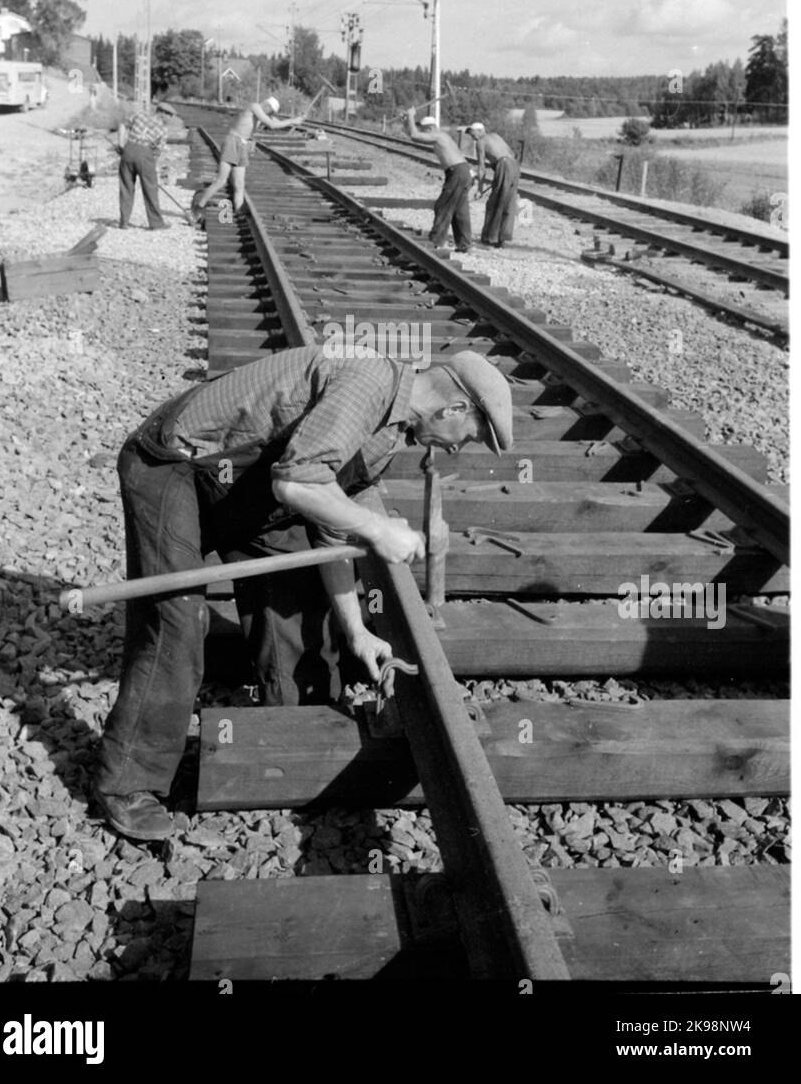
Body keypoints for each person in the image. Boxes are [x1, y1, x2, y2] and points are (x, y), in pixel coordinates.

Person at [91, 345, 514, 840]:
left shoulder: (389, 436)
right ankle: (126, 783)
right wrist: (378, 529)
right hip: (176, 466)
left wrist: (356, 631)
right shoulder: (368, 383)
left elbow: (331, 533)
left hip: (250, 489)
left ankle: (292, 732)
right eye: (472, 435)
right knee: (177, 621)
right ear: (454, 408)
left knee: (295, 600)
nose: (462, 447)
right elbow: (296, 483)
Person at [191, 96, 301, 221]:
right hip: (233, 142)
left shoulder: (262, 114)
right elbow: (271, 124)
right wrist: (292, 121)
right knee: (221, 181)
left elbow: (275, 122)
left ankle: (238, 212)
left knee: (240, 184)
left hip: (242, 145)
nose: (270, 113)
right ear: (267, 105)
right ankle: (199, 206)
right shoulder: (255, 107)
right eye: (270, 111)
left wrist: (296, 120)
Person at [405, 108, 473, 253]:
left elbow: (414, 135)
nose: (423, 133)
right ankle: (464, 244)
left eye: (424, 130)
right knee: (460, 211)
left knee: (443, 206)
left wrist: (411, 115)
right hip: (462, 171)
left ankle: (435, 242)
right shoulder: (443, 136)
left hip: (457, 173)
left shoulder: (437, 136)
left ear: (430, 128)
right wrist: (407, 120)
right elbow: (412, 133)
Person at [117, 101, 175, 230]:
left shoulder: (139, 115)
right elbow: (157, 152)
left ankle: (124, 222)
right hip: (145, 155)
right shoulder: (163, 130)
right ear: (162, 113)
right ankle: (156, 224)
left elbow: (122, 125)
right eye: (170, 116)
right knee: (150, 189)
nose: (170, 119)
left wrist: (121, 144)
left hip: (129, 149)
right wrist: (151, 171)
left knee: (126, 187)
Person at [471, 122, 521, 248]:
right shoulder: (495, 136)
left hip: (503, 165)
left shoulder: (480, 142)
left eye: (472, 132)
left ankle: (490, 238)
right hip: (514, 165)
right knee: (508, 203)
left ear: (480, 131)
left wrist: (480, 189)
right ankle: (502, 238)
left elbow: (481, 168)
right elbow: (512, 154)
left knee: (495, 203)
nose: (471, 136)